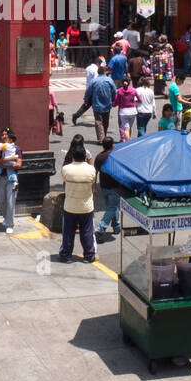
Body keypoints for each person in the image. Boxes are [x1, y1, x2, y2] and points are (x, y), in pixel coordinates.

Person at [59, 135, 98, 264]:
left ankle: (66, 255)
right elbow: (93, 183)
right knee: (86, 232)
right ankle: (89, 255)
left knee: (68, 233)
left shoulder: (66, 169)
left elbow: (64, 182)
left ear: (73, 156)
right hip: (86, 206)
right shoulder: (91, 170)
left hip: (70, 206)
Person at [74, 66, 116, 144]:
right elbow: (114, 91)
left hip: (97, 103)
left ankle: (101, 138)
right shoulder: (109, 80)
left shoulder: (94, 81)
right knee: (106, 121)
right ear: (104, 72)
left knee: (98, 121)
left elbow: (88, 91)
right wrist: (113, 100)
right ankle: (104, 137)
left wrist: (86, 100)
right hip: (107, 103)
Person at [0, 128, 22, 233]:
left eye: (6, 135)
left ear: (11, 137)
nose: (3, 137)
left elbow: (18, 164)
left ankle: (10, 224)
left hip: (11, 179)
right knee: (0, 201)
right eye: (2, 135)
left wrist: (4, 163)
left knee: (10, 201)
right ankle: (6, 217)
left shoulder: (16, 149)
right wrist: (9, 160)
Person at [94, 137, 121, 235]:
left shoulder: (99, 157)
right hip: (114, 187)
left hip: (103, 186)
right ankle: (100, 228)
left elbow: (95, 173)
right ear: (112, 145)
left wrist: (94, 187)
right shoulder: (115, 156)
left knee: (112, 207)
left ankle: (116, 227)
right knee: (111, 208)